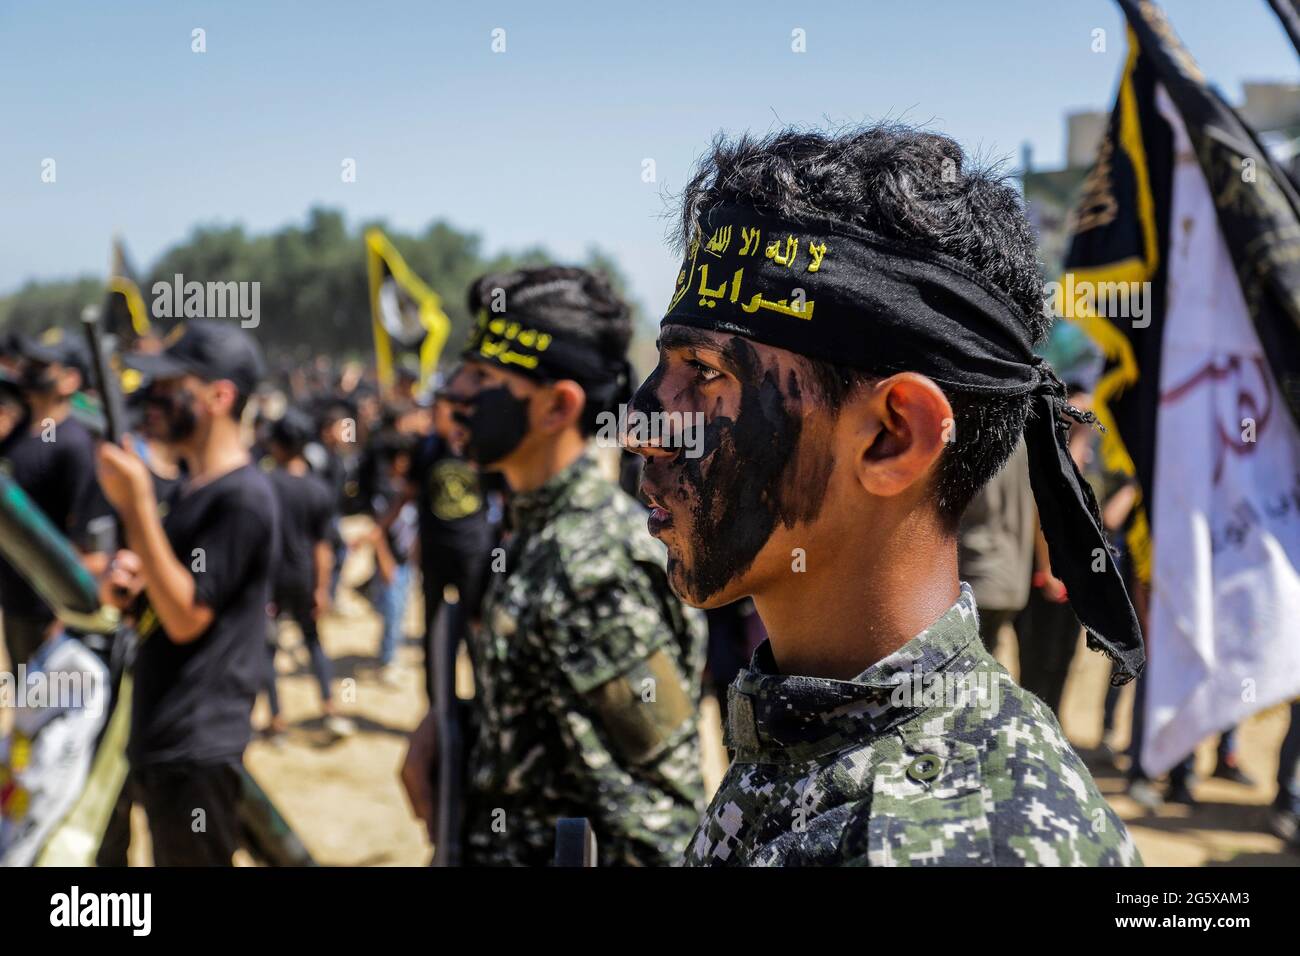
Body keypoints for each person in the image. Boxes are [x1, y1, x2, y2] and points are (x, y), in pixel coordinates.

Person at [628, 124, 1144, 866]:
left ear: (892, 436)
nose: (643, 428)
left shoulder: (960, 840)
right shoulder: (809, 716)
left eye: (706, 374)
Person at [402, 266, 706, 867]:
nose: (455, 391)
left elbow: (659, 818)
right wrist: (460, 722)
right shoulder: (529, 531)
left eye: (483, 376)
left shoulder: (593, 567)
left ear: (555, 407)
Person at [95, 320, 278, 866]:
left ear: (220, 396)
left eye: (172, 388)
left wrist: (137, 505)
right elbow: (165, 596)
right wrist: (129, 583)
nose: (153, 400)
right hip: (161, 730)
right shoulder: (191, 491)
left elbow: (187, 617)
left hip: (198, 744)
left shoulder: (244, 497)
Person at [0, 331, 112, 667]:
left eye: (42, 366)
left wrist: (65, 615)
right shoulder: (18, 435)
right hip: (15, 599)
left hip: (49, 610)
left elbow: (87, 542)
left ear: (69, 380)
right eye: (29, 364)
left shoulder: (74, 445)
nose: (30, 373)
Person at [263, 408, 351, 739]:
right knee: (313, 640)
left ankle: (276, 719)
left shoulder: (265, 484)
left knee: (267, 649)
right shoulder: (318, 489)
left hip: (271, 581)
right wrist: (322, 588)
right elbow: (323, 547)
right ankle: (329, 705)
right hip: (304, 577)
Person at [407, 390, 494, 704]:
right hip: (434, 555)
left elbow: (503, 496)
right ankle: (438, 704)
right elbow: (410, 493)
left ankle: (482, 700)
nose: (435, 416)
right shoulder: (426, 449)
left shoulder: (482, 448)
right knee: (433, 632)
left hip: (474, 555)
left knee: (475, 630)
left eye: (442, 409)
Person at [957, 439, 1034, 656]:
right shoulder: (1023, 441)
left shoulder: (977, 441)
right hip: (1013, 575)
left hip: (979, 574)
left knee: (969, 675)